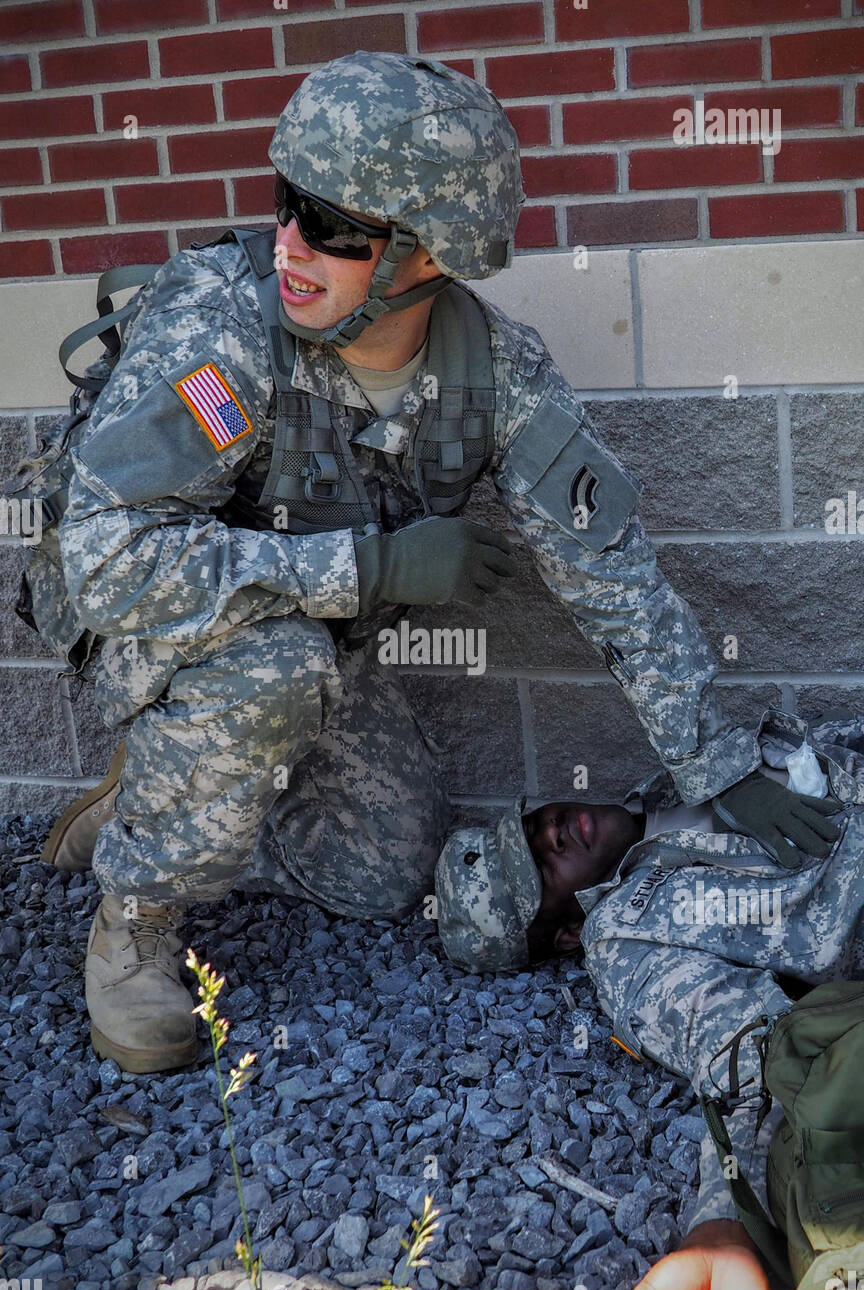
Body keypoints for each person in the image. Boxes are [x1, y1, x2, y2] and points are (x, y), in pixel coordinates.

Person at [19, 51, 835, 1075]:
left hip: (301, 649)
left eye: (333, 228)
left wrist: (713, 762)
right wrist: (368, 571)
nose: (290, 246)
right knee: (274, 669)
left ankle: (159, 800)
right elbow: (106, 560)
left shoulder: (496, 375)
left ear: (429, 256)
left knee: (383, 870)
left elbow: (615, 581)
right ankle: (135, 916)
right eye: (289, 205)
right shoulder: (221, 331)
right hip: (152, 630)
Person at [434, 705, 864, 1290]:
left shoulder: (672, 775)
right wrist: (723, 1225)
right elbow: (747, 1058)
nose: (552, 831)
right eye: (539, 867)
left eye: (529, 828)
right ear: (565, 933)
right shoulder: (622, 943)